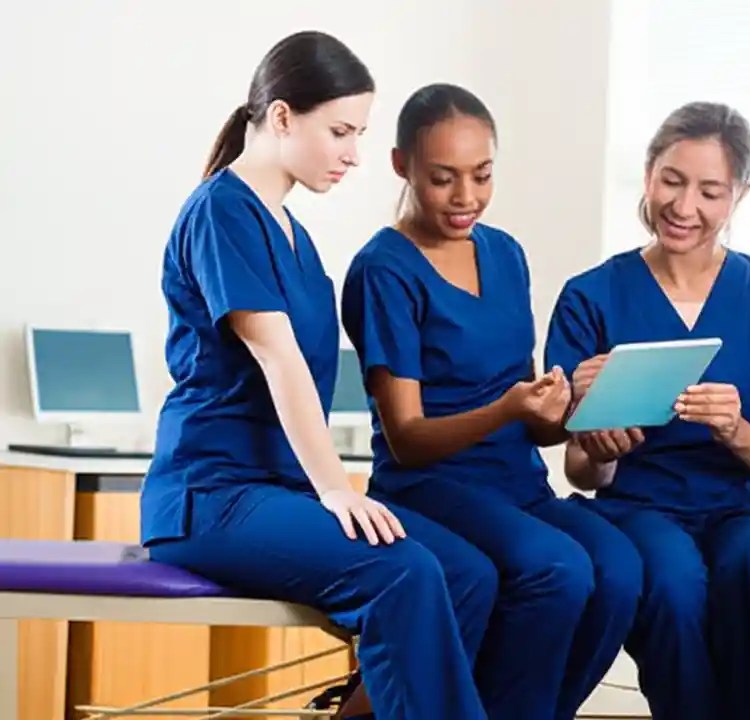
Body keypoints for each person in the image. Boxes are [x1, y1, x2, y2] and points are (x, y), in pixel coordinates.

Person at [139, 31, 495, 720]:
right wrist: (336, 489)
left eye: (358, 133)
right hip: (211, 496)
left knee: (467, 572)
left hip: (276, 489)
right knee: (406, 572)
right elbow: (279, 360)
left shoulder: (293, 234)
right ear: (280, 117)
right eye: (339, 131)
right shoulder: (222, 210)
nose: (355, 154)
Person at [340, 83, 642, 720]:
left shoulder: (505, 254)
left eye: (481, 175)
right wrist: (509, 409)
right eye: (443, 178)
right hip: (430, 486)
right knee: (557, 569)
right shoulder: (384, 270)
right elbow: (407, 437)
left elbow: (535, 425)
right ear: (402, 167)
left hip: (518, 484)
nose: (466, 197)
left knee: (618, 569)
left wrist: (574, 406)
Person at [544, 101, 750, 720]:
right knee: (673, 584)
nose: (685, 207)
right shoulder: (591, 296)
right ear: (647, 173)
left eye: (710, 191)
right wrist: (602, 449)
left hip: (742, 509)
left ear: (739, 195)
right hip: (639, 508)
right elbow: (580, 471)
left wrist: (736, 430)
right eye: (671, 180)